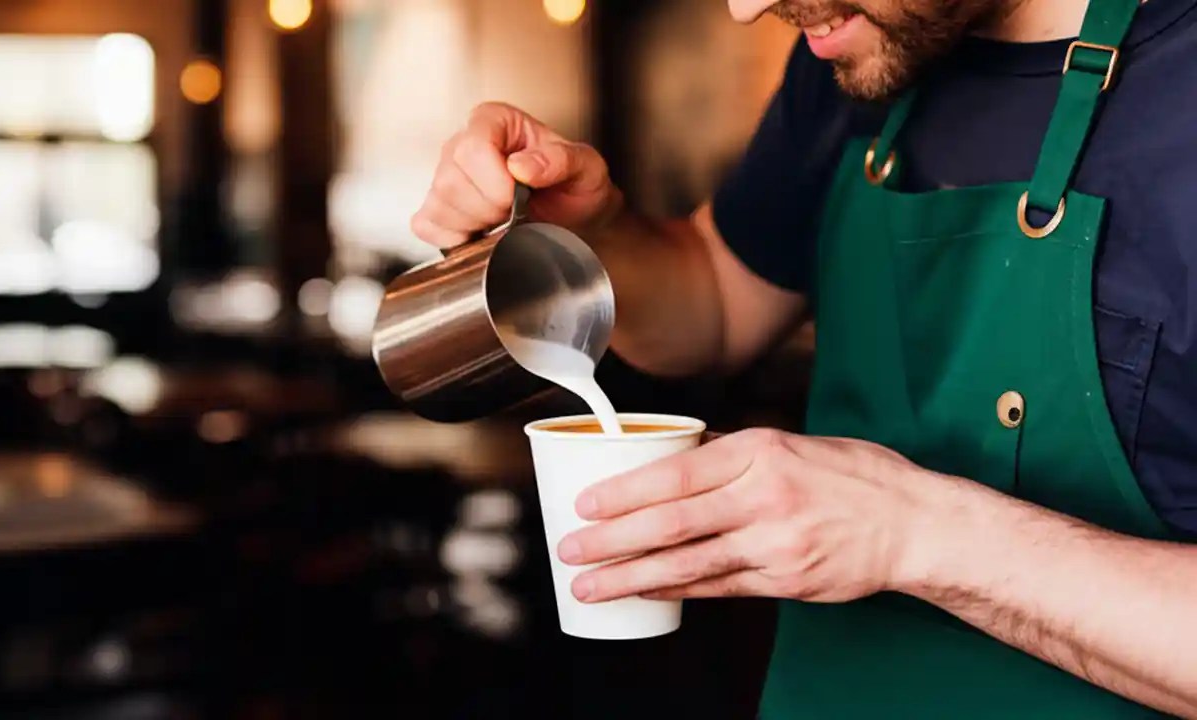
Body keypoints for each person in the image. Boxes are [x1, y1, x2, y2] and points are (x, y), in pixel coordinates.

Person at [412, 0, 1197, 716]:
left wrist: (913, 534)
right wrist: (593, 234)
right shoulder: (865, 47)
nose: (747, 8)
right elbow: (717, 304)